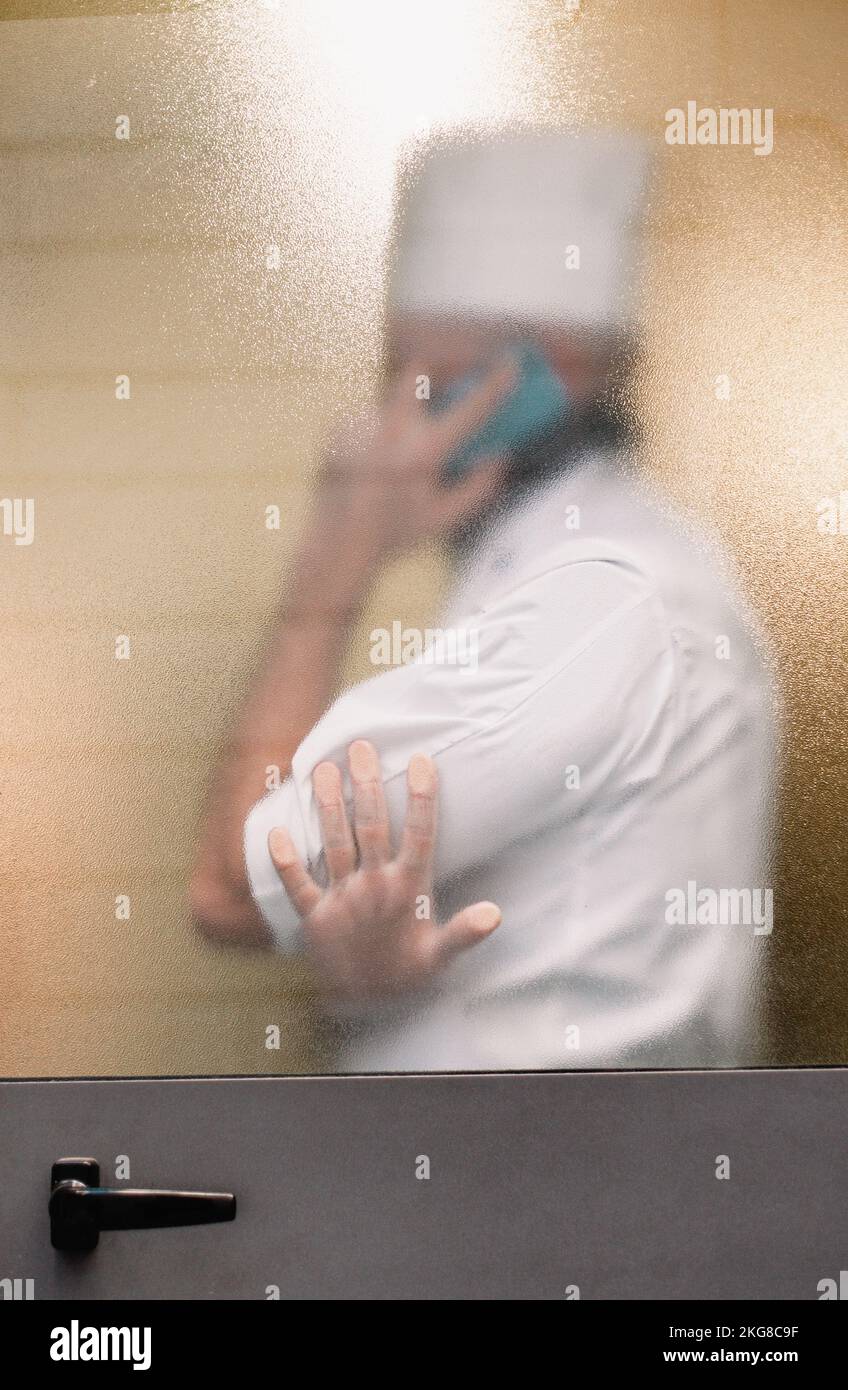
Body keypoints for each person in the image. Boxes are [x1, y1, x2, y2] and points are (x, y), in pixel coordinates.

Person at [190, 130, 776, 1072]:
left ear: (523, 372)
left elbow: (226, 887)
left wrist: (329, 565)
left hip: (525, 1188)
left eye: (411, 353)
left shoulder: (599, 600)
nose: (390, 391)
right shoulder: (595, 566)